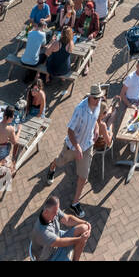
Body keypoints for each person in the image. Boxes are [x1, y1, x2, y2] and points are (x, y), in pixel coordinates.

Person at [45, 85, 114, 217]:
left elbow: (95, 121)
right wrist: (77, 147)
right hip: (72, 147)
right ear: (89, 97)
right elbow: (70, 130)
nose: (98, 100)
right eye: (95, 98)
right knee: (60, 162)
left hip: (87, 146)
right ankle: (52, 167)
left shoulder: (98, 104)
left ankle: (75, 203)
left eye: (99, 98)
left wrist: (96, 129)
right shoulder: (79, 110)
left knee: (83, 175)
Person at [29, 195, 92, 261]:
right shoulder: (43, 232)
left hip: (58, 240)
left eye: (57, 210)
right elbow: (60, 242)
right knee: (81, 239)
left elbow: (67, 219)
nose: (57, 214)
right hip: (49, 257)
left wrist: (85, 222)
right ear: (46, 212)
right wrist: (80, 239)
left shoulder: (53, 210)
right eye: (54, 212)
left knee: (84, 228)